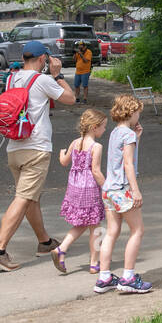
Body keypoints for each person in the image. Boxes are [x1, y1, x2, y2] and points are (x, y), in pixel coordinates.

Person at [0, 41, 75, 272]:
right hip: (36, 148)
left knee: (31, 198)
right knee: (23, 197)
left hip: (14, 146)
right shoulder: (43, 80)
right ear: (43, 59)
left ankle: (44, 243)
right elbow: (70, 99)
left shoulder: (11, 78)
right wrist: (58, 75)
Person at [94, 94, 152, 293]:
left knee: (112, 232)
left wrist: (137, 138)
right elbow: (128, 163)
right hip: (122, 189)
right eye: (138, 113)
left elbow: (120, 159)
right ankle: (128, 277)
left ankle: (104, 277)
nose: (139, 116)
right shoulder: (128, 135)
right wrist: (135, 190)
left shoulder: (115, 133)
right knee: (137, 230)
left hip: (109, 190)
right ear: (131, 112)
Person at [52, 108, 107, 274]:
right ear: (94, 127)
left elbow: (64, 162)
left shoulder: (75, 143)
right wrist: (108, 188)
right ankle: (94, 262)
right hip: (89, 190)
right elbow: (96, 171)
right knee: (96, 227)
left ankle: (61, 249)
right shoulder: (96, 146)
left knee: (82, 222)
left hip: (74, 189)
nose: (105, 130)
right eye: (104, 126)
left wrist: (61, 153)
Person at [72, 40, 93, 105]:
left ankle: (85, 98)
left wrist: (80, 53)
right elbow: (74, 60)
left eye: (81, 46)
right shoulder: (78, 52)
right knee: (76, 85)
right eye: (79, 46)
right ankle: (77, 98)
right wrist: (75, 53)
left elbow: (86, 61)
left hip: (85, 71)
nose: (80, 47)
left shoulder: (88, 52)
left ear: (85, 46)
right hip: (78, 71)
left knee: (85, 85)